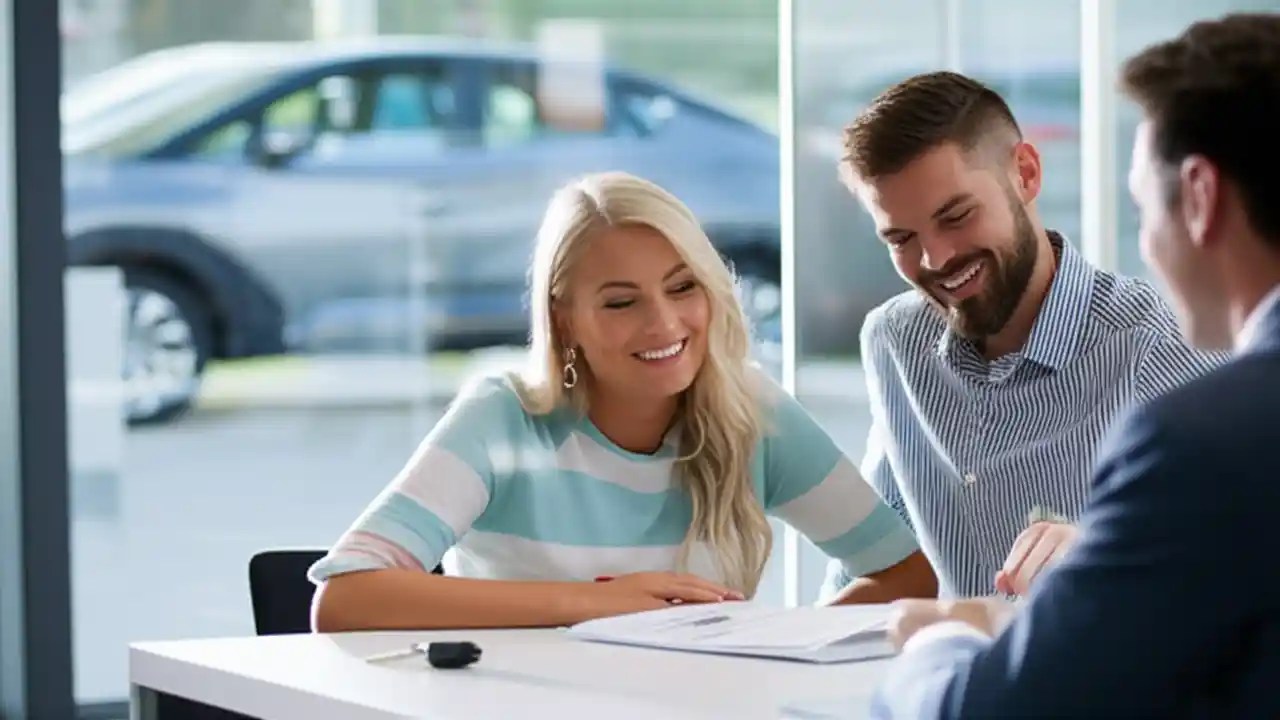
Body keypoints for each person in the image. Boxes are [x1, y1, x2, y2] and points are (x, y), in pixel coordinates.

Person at [309, 171, 937, 631]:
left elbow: (909, 575)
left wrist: (776, 644)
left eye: (681, 287)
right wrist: (592, 602)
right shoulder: (505, 417)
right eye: (620, 302)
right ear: (565, 320)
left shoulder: (753, 413)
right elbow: (345, 599)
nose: (663, 324)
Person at [872, 13, 1280, 717]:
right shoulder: (896, 342)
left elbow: (988, 712)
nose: (1147, 245)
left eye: (1141, 207)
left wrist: (938, 644)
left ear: (1202, 199)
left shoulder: (1202, 434)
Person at [824, 67, 1225, 600]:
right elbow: (882, 559)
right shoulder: (894, 341)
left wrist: (1106, 553)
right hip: (964, 674)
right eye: (900, 238)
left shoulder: (1161, 347)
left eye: (957, 215)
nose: (935, 259)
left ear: (1026, 174)